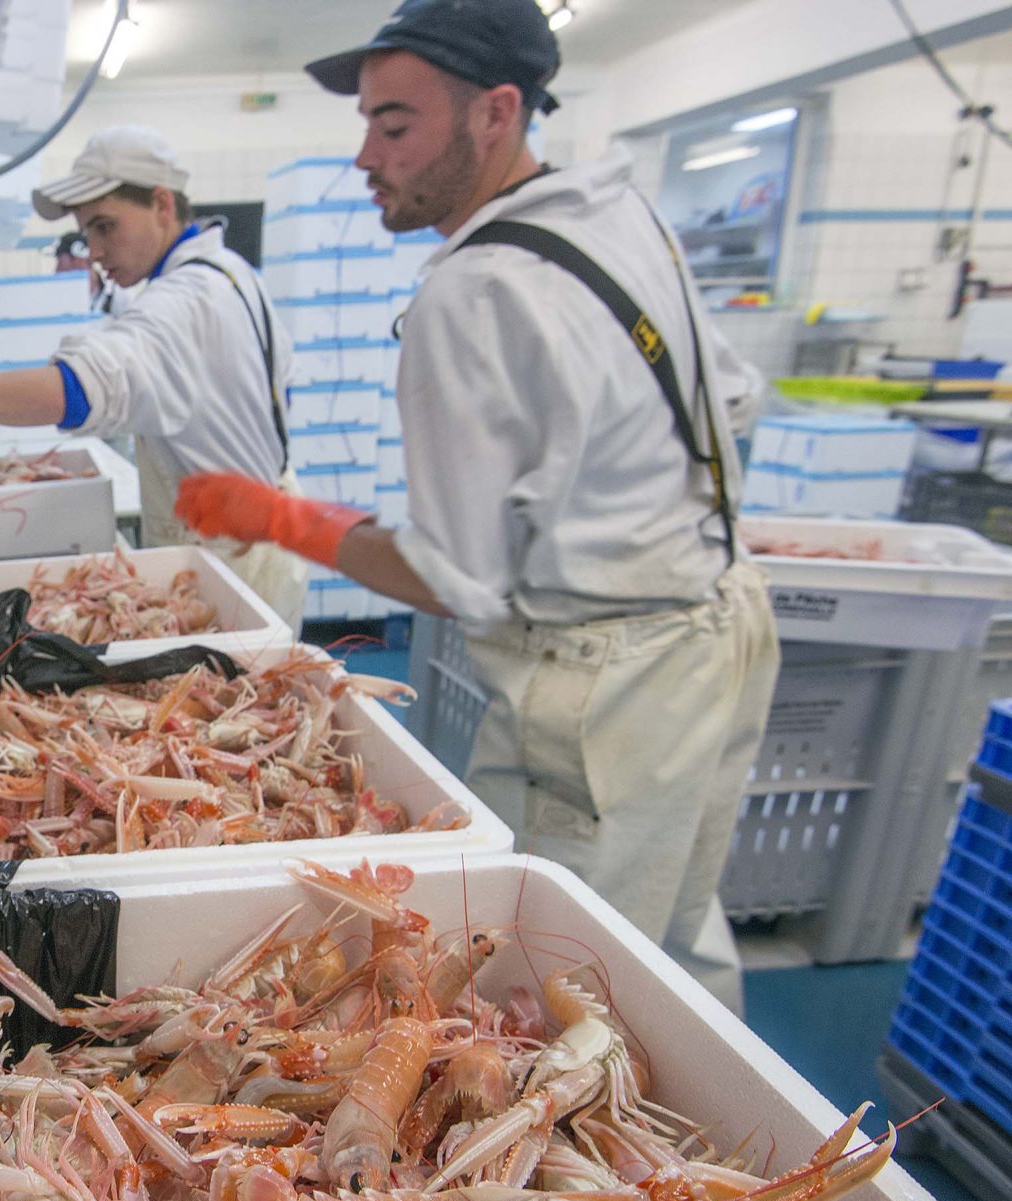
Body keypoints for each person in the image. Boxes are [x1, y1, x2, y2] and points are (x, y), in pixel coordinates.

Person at [175, 0, 778, 1010]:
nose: (365, 154)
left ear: (495, 112)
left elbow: (455, 583)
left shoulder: (473, 288)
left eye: (395, 125)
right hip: (721, 628)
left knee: (542, 980)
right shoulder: (618, 214)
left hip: (607, 681)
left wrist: (278, 515)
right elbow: (735, 394)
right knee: (671, 939)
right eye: (367, 123)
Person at [0, 127, 308, 624]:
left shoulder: (184, 302)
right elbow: (279, 387)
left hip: (232, 566)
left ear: (162, 205)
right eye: (88, 231)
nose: (93, 250)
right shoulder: (230, 273)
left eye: (104, 226)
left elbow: (75, 389)